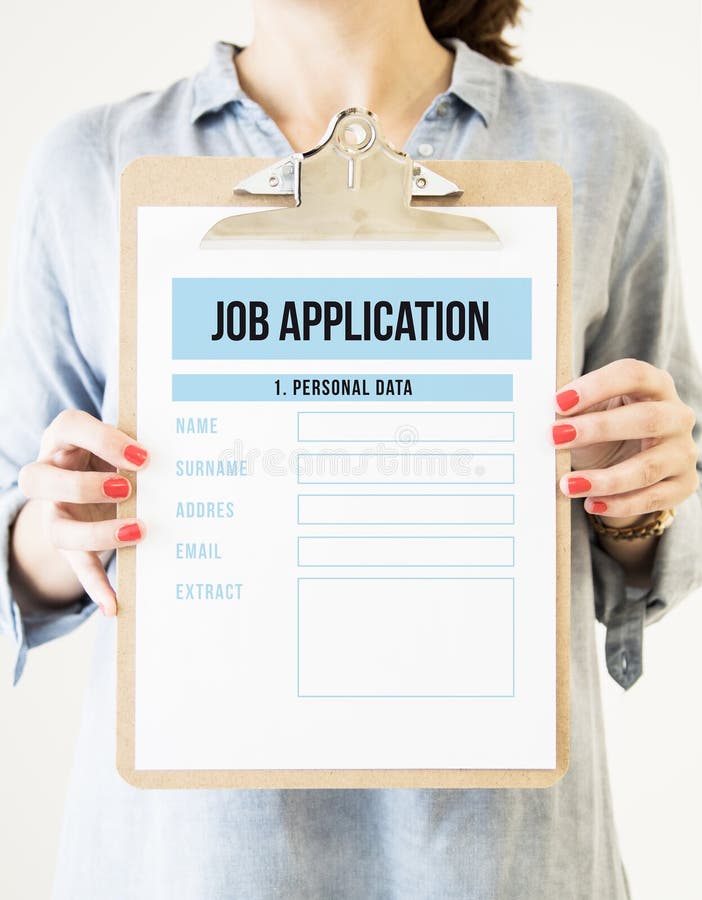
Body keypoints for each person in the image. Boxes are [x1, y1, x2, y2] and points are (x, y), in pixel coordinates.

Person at [1, 1, 701, 898]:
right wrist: (57, 525)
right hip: (192, 864)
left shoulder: (599, 147)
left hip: (496, 864)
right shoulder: (91, 160)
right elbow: (17, 524)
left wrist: (641, 498)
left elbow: (654, 528)